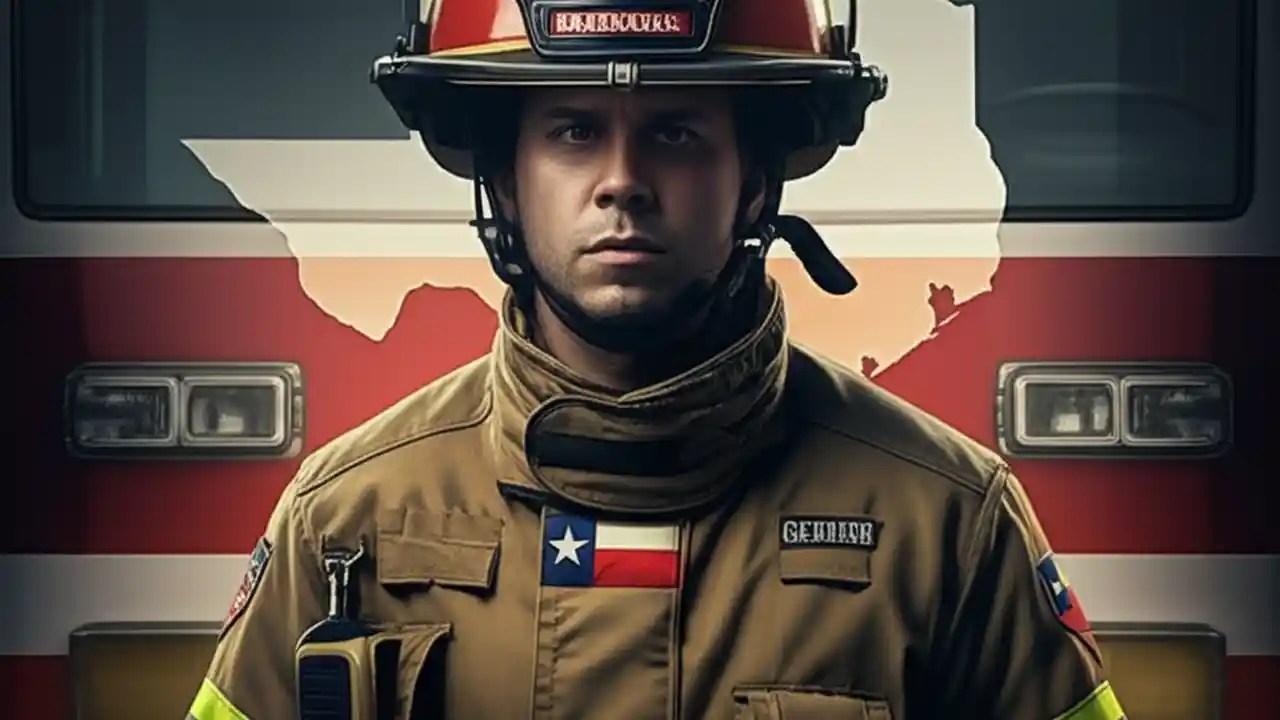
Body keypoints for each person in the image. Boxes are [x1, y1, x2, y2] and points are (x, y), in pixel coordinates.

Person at [187, 1, 1127, 718]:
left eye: (675, 132)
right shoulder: (346, 516)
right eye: (573, 131)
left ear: (754, 181)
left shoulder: (949, 524)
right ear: (505, 182)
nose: (623, 183)